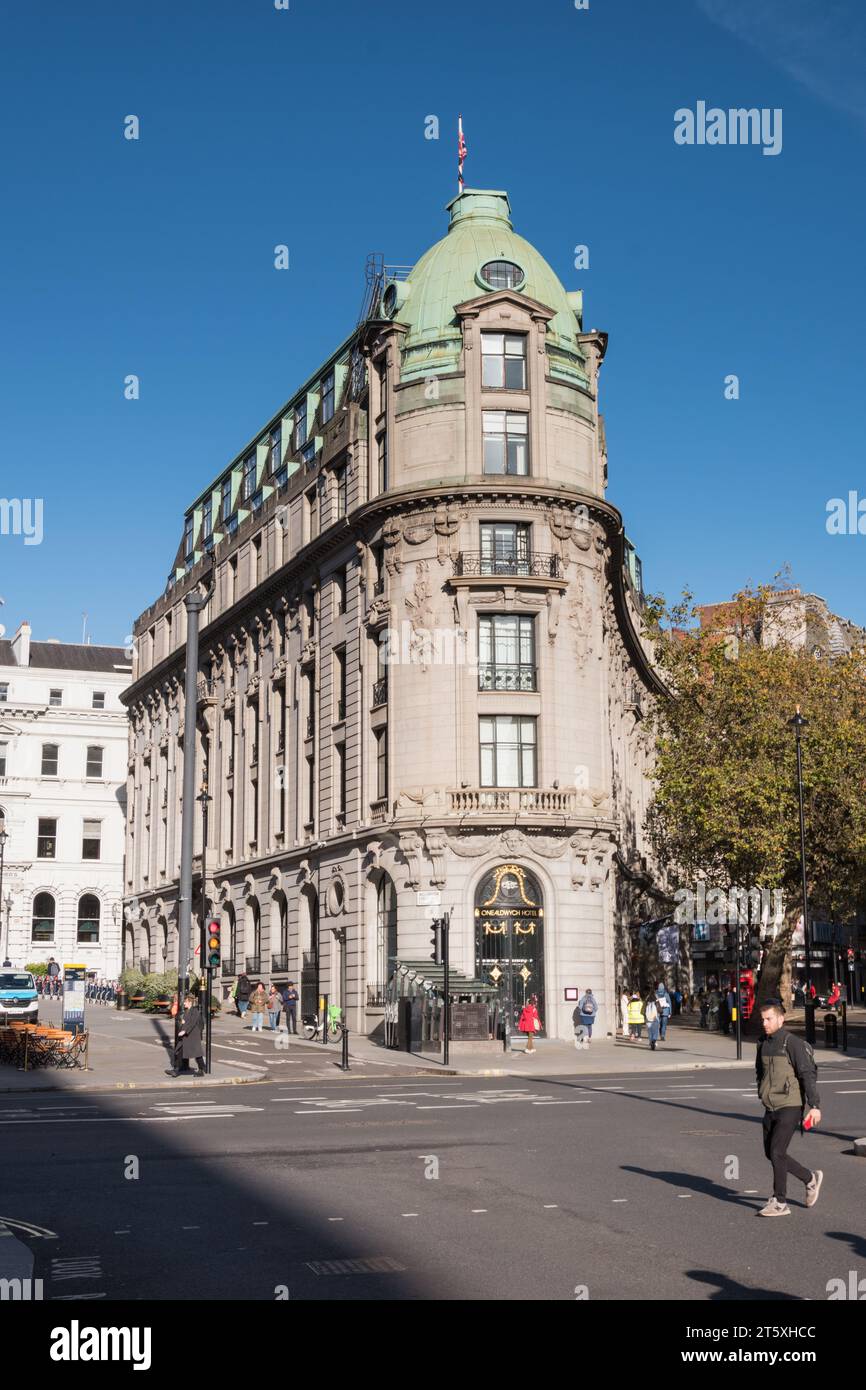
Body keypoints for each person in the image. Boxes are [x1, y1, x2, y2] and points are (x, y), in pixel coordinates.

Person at [755, 999, 822, 1217]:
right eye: (763, 1019)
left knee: (777, 1151)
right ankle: (809, 1178)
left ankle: (780, 1201)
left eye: (769, 1019)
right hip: (770, 1105)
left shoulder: (791, 1043)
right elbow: (760, 1072)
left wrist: (814, 1105)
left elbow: (807, 1074)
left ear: (781, 1019)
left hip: (790, 1105)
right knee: (771, 1153)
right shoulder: (762, 1043)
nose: (764, 1023)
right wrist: (762, 1092)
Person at [166, 994, 205, 1077]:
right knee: (179, 1052)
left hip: (192, 1036)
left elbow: (192, 1023)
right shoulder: (188, 1011)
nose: (184, 1003)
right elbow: (187, 1022)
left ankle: (201, 1070)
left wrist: (184, 1031)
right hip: (187, 1037)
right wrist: (183, 1023)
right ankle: (176, 1071)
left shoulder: (195, 1011)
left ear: (190, 1002)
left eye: (185, 1002)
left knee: (197, 1055)